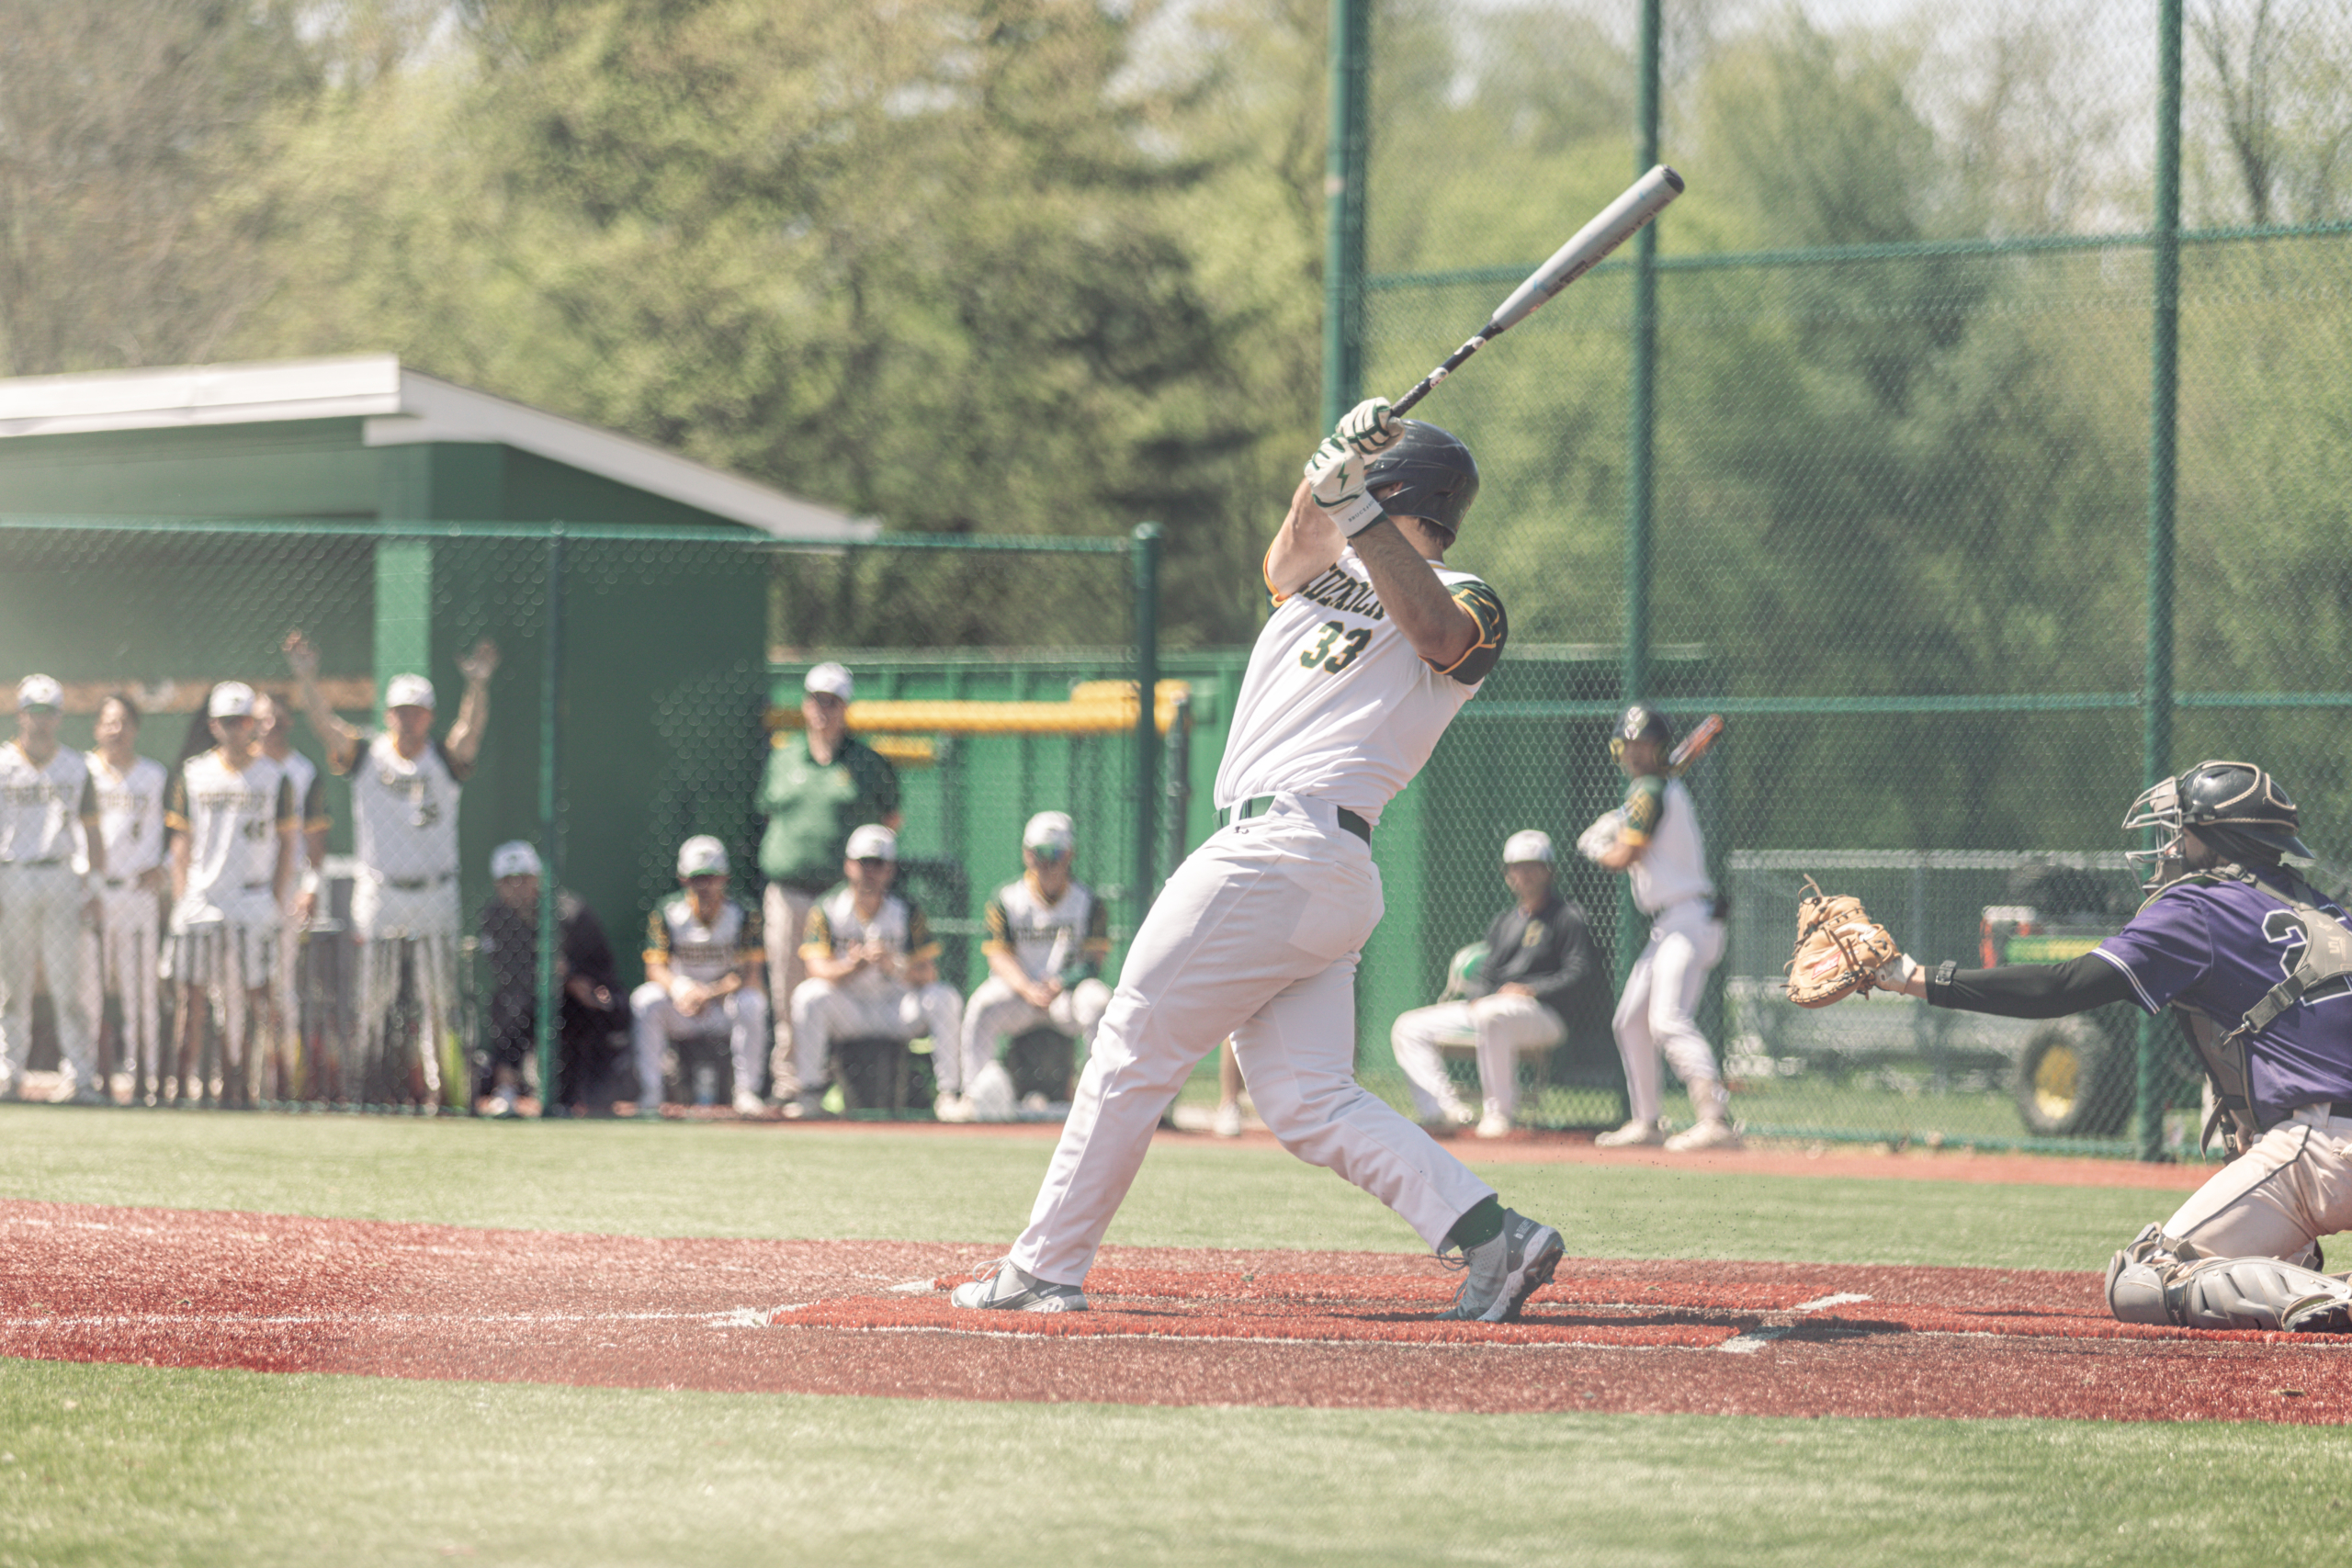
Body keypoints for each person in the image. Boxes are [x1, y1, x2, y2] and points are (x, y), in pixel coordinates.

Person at [951, 399, 1564, 1322]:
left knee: (1128, 1044)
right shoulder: (1327, 564)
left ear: (1396, 494)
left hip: (1289, 847)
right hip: (1297, 864)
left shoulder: (1466, 594)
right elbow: (1288, 552)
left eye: (1369, 489)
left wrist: (1353, 502)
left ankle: (1042, 1267)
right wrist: (1326, 474)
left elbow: (1439, 637)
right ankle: (1494, 1239)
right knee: (1304, 1098)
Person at [1870, 761, 2352, 1334]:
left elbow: (2063, 986)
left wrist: (1915, 977)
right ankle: (2300, 1271)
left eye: (2181, 829)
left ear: (2214, 836)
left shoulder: (2200, 906)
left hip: (2322, 1151)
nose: (2170, 844)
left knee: (2144, 1276)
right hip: (2325, 1144)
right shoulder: (2330, 913)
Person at [284, 629, 496, 1109]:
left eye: (417, 711)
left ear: (430, 717)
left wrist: (478, 683)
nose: (409, 719)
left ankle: (448, 1095)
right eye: (401, 711)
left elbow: (471, 732)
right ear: (388, 715)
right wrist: (307, 677)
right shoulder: (366, 754)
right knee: (374, 998)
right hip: (381, 890)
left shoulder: (443, 757)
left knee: (440, 997)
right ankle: (371, 1091)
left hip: (435, 890)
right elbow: (325, 725)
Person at [1582, 705, 1738, 1152]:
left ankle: (1716, 1120)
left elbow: (1625, 857)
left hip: (1688, 918)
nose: (1637, 752)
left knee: (1668, 1020)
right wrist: (1619, 822)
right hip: (1671, 924)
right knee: (1630, 1021)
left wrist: (1598, 846)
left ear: (1660, 748)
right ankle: (1647, 1122)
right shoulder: (1650, 790)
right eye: (1630, 744)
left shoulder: (1651, 788)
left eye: (1646, 744)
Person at [1390, 829, 1599, 1139]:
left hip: (1545, 1015)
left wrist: (1532, 989)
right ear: (1507, 875)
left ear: (1550, 871)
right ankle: (1443, 1112)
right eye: (1516, 867)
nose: (1524, 874)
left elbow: (1580, 973)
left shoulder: (1568, 916)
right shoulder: (1504, 921)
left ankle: (1499, 1115)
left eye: (1532, 866)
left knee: (1493, 1014)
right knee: (1408, 1026)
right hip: (1494, 1007)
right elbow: (1487, 975)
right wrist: (1478, 995)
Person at [757, 662, 901, 1106]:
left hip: (844, 899)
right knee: (788, 991)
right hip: (789, 893)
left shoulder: (867, 763)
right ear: (805, 705)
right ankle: (792, 1085)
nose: (823, 710)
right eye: (817, 700)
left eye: (832, 702)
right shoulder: (783, 757)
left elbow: (891, 820)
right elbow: (768, 812)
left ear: (845, 707)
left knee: (844, 986)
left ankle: (834, 1083)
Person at [163, 682, 294, 1108]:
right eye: (227, 722)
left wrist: (275, 898)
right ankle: (183, 1088)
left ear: (254, 724)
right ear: (214, 725)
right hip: (204, 896)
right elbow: (180, 844)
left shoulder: (276, 776)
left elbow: (287, 844)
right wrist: (182, 897)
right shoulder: (194, 772)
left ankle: (260, 1087)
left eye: (244, 721)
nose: (237, 730)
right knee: (192, 994)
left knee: (260, 994)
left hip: (254, 897)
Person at [945, 810, 1113, 1122]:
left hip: (1065, 997)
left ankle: (1099, 1099)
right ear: (1026, 855)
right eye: (1039, 854)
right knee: (982, 1005)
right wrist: (1026, 987)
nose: (1047, 863)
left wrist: (1060, 983)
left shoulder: (1088, 901)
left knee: (1099, 1002)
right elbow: (998, 955)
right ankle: (972, 1095)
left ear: (1070, 855)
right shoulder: (1007, 899)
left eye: (1056, 853)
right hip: (1020, 993)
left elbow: (1093, 962)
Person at [788, 823, 961, 1119]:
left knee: (944, 997)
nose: (870, 872)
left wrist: (894, 965)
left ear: (890, 870)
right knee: (808, 996)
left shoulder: (906, 910)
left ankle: (950, 1095)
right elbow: (815, 969)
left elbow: (929, 973)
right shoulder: (828, 908)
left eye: (878, 864)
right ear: (848, 866)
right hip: (849, 1007)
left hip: (896, 1007)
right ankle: (810, 1094)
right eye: (863, 863)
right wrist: (852, 965)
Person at [0, 675, 105, 1102]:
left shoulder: (76, 766)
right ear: (20, 713)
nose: (40, 721)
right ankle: (8, 1072)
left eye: (48, 712)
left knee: (69, 983)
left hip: (62, 873)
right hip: (12, 872)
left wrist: (94, 883)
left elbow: (93, 831)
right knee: (10, 984)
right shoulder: (3, 762)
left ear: (60, 716)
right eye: (33, 711)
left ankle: (79, 1076)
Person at [476, 840, 623, 1118]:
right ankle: (505, 1090)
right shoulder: (494, 917)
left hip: (575, 998)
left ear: (539, 879)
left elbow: (601, 970)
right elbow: (504, 972)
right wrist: (555, 974)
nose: (517, 887)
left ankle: (580, 1098)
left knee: (594, 1009)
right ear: (498, 885)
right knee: (510, 1003)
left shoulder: (572, 912)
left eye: (523, 879)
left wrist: (573, 977)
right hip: (525, 997)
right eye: (509, 881)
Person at [631, 836, 769, 1119]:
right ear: (683, 879)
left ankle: (747, 1093)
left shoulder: (744, 912)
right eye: (697, 879)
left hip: (722, 1005)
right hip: (682, 1006)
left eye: (711, 878)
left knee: (752, 1003)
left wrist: (709, 993)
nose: (705, 886)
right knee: (646, 1000)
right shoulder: (667, 911)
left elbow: (750, 974)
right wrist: (682, 990)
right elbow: (655, 969)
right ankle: (651, 1095)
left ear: (725, 878)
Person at [81, 694, 169, 1103]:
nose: (115, 730)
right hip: (92, 893)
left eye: (123, 722)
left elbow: (178, 831)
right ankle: (82, 1075)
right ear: (97, 727)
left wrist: (165, 867)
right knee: (87, 993)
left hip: (137, 892)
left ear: (135, 728)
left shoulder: (154, 775)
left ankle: (144, 1077)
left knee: (141, 994)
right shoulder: (82, 771)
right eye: (108, 721)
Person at [253, 690, 331, 1100]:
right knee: (238, 987)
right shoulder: (237, 768)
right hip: (243, 890)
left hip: (287, 891)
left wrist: (310, 885)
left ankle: (288, 1080)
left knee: (284, 987)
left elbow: (316, 838)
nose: (270, 726)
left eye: (278, 720)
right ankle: (239, 1078)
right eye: (263, 719)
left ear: (289, 724)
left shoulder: (303, 771)